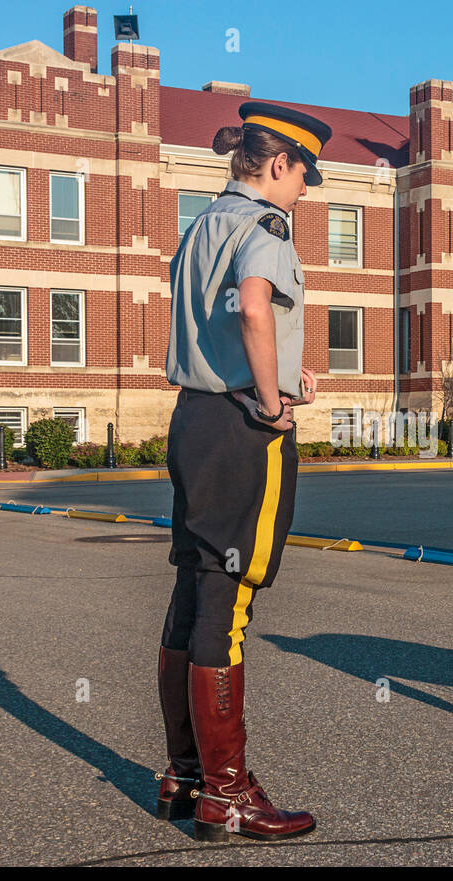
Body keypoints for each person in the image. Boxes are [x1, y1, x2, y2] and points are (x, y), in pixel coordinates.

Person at [155, 101, 332, 842]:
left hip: (194, 420)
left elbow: (219, 320)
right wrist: (272, 398)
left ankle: (187, 776)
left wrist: (291, 372)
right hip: (240, 430)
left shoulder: (201, 226)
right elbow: (255, 309)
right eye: (303, 177)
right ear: (279, 164)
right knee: (226, 610)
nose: (303, 192)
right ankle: (227, 797)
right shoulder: (266, 227)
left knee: (193, 594)